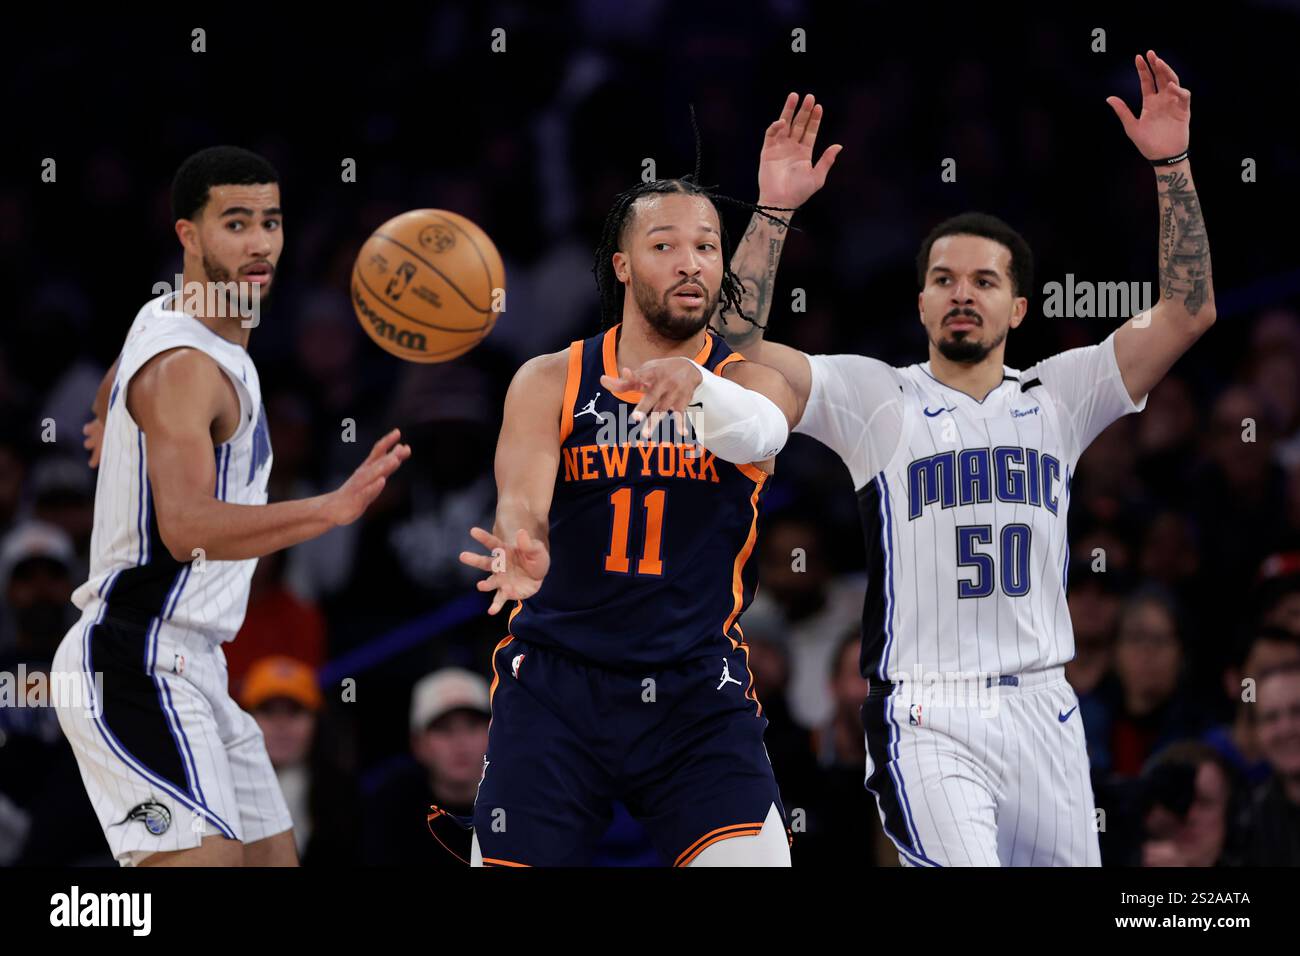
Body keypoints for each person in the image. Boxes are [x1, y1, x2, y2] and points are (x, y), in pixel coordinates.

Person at [717, 52, 1215, 865]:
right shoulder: (875, 395)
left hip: (1048, 709)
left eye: (984, 280)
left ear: (1018, 306)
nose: (961, 292)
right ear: (919, 302)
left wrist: (1173, 164)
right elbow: (730, 349)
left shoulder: (1063, 391)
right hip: (928, 713)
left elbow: (1189, 311)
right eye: (943, 278)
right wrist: (772, 213)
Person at [458, 93, 838, 867]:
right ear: (625, 266)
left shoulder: (754, 379)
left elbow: (761, 431)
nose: (691, 259)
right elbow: (521, 498)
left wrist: (698, 386)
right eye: (666, 245)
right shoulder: (550, 378)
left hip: (695, 688)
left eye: (706, 245)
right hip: (558, 688)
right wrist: (523, 542)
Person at [49, 146, 410, 867]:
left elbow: (121, 377)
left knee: (276, 860)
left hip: (197, 664)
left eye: (270, 223)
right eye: (235, 223)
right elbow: (185, 531)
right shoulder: (188, 367)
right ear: (189, 235)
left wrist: (108, 419)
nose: (259, 243)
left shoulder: (169, 322)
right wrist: (328, 510)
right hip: (132, 654)